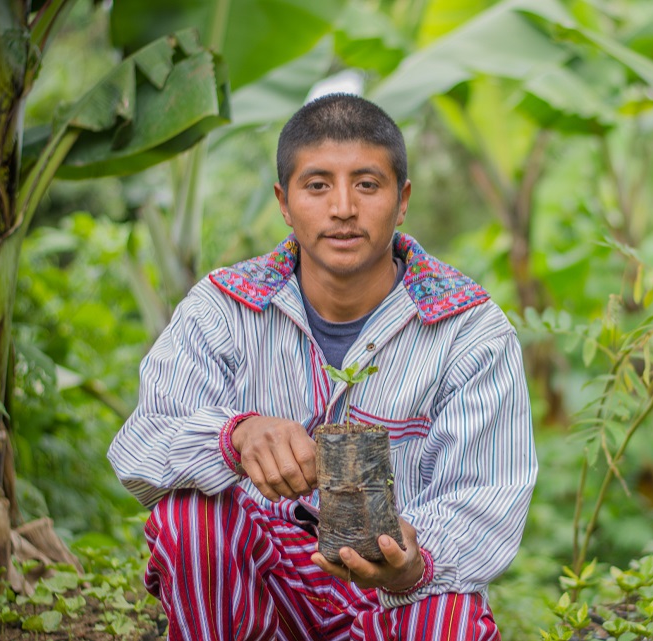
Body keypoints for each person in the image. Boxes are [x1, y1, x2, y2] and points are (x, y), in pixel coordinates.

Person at [108, 93, 538, 640]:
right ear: (284, 203)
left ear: (401, 200)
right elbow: (140, 446)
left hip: (395, 596)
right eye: (317, 186)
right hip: (265, 582)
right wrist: (234, 435)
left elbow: (486, 497)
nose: (342, 208)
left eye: (367, 184)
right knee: (190, 521)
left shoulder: (469, 331)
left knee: (449, 621)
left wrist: (413, 561)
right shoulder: (221, 308)